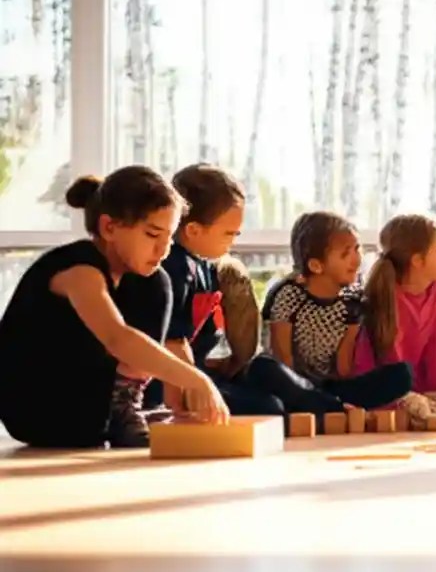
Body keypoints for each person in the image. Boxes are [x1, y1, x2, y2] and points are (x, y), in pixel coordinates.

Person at [0, 167, 227, 448]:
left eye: (169, 238)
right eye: (152, 234)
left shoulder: (140, 277)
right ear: (109, 227)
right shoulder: (79, 269)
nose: (163, 250)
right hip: (38, 406)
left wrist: (182, 406)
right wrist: (196, 379)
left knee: (157, 282)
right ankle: (115, 412)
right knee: (151, 288)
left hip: (85, 393)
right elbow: (117, 338)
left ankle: (123, 407)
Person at [149, 164, 346, 420]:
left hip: (204, 373)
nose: (233, 241)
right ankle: (320, 414)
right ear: (194, 230)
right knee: (268, 408)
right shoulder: (175, 269)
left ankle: (334, 407)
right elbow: (173, 343)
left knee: (265, 368)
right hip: (176, 385)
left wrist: (223, 364)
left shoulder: (206, 266)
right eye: (228, 233)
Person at [262, 211, 412, 409]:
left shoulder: (353, 298)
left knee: (401, 375)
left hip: (328, 385)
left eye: (357, 249)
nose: (356, 260)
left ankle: (331, 405)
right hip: (293, 382)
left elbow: (344, 363)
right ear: (316, 265)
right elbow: (282, 355)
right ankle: (327, 406)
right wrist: (297, 388)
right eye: (345, 254)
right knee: (262, 369)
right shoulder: (289, 295)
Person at [354, 214, 436, 426]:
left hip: (416, 387)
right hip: (380, 393)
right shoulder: (390, 294)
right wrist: (407, 397)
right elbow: (391, 357)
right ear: (417, 261)